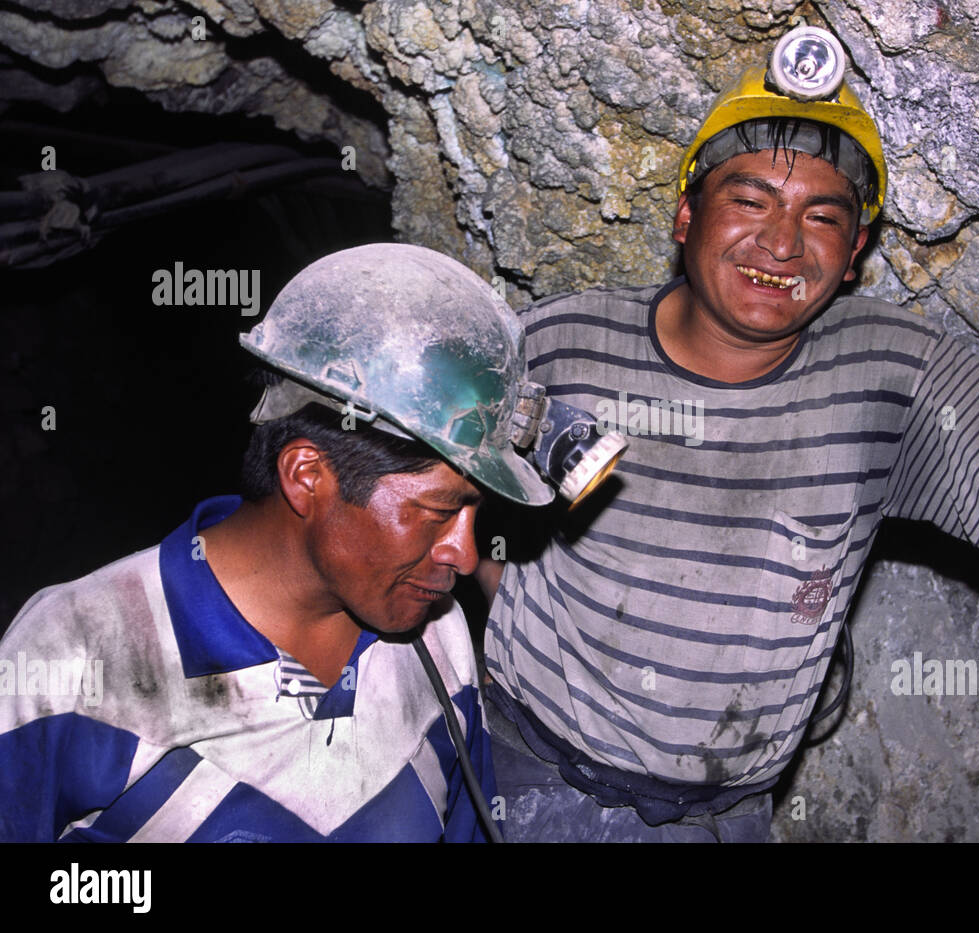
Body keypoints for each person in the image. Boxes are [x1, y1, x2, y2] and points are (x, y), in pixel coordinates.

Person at [475, 26, 979, 842]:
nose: (781, 242)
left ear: (858, 247)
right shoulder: (560, 340)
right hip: (539, 777)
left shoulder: (890, 372)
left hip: (730, 813)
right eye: (750, 200)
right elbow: (435, 479)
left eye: (822, 217)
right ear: (688, 214)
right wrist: (509, 607)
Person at [0, 243, 564, 842]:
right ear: (307, 476)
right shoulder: (77, 650)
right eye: (436, 512)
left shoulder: (438, 635)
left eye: (477, 516)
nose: (465, 555)